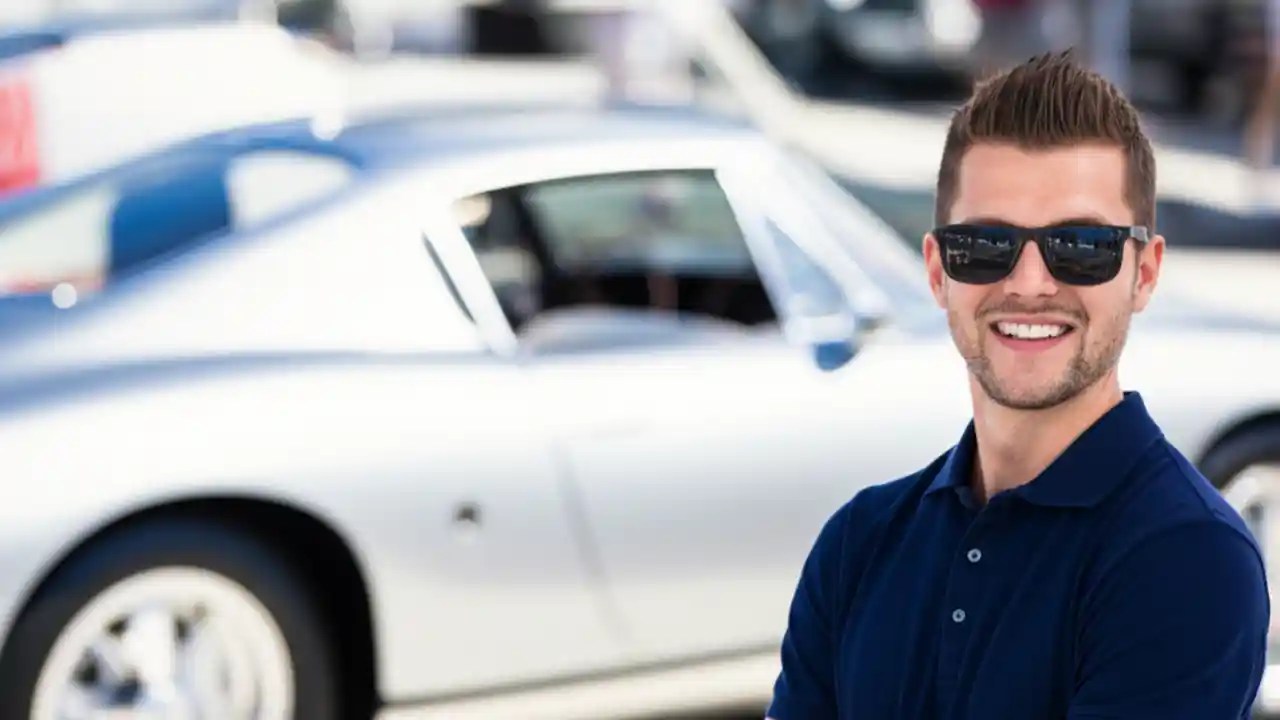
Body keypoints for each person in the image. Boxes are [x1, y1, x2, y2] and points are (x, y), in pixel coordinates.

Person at [766, 51, 1269, 720]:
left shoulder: (1190, 557)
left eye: (1082, 246)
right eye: (986, 246)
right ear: (940, 271)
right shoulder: (857, 544)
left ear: (1144, 273)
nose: (1029, 283)